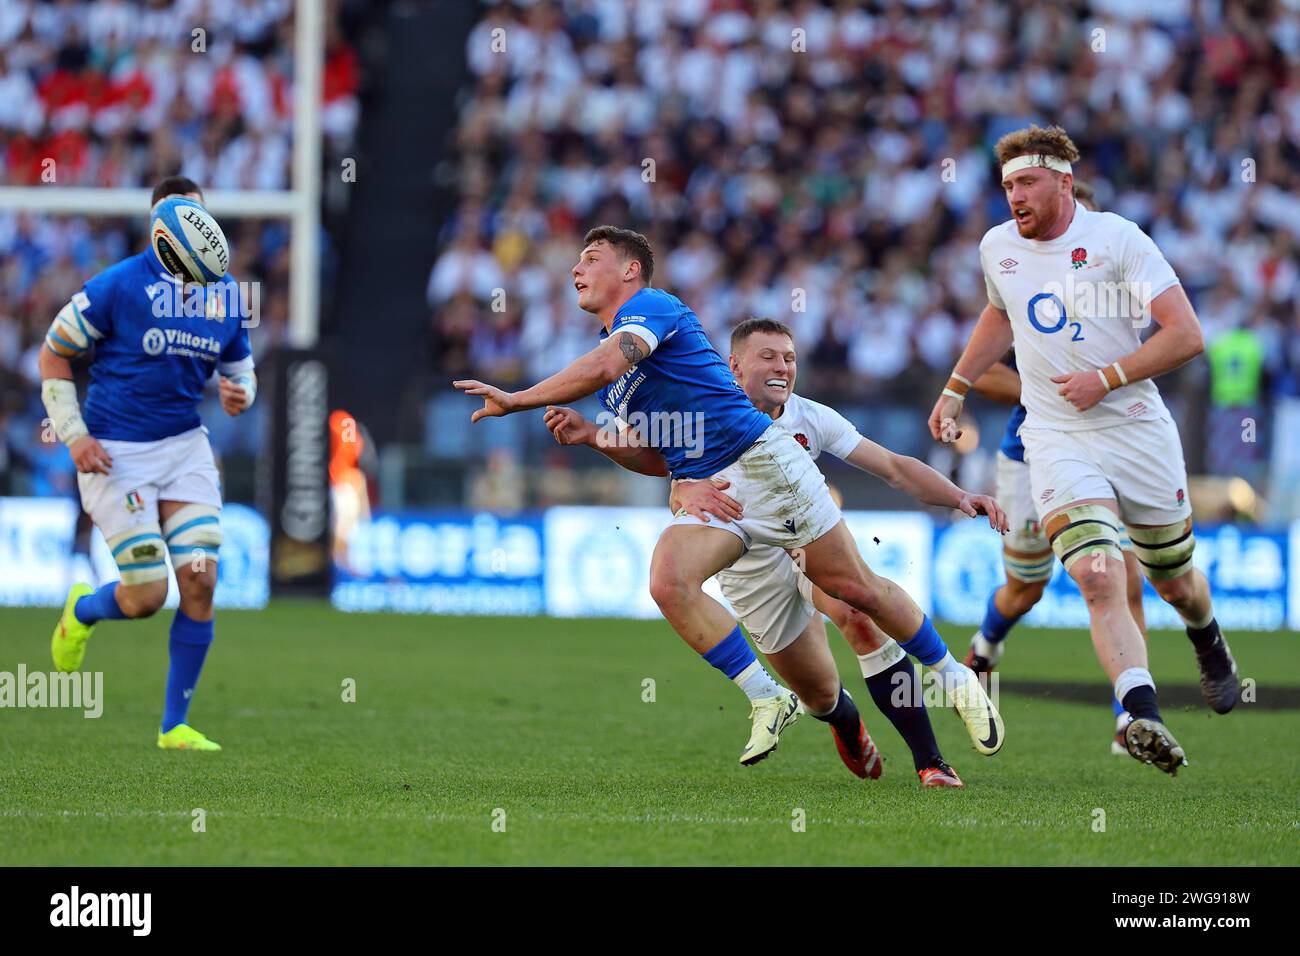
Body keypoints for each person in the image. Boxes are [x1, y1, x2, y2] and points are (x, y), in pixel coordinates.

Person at [457, 226, 1006, 766]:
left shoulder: (653, 306)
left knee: (853, 592)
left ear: (629, 270)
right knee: (668, 582)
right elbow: (660, 453)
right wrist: (595, 438)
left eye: (591, 257)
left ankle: (954, 682)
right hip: (719, 496)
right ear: (737, 365)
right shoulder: (613, 380)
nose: (576, 268)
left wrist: (518, 398)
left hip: (763, 466)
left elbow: (890, 465)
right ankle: (769, 698)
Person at [546, 317, 998, 786]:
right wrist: (618, 451)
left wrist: (960, 497)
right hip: (745, 562)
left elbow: (892, 467)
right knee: (819, 694)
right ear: (734, 366)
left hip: (803, 540)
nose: (783, 367)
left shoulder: (811, 417)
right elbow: (664, 468)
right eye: (769, 357)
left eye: (789, 358)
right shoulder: (702, 411)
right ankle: (845, 721)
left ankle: (930, 760)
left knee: (857, 611)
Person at [928, 126, 1239, 776]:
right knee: (1099, 574)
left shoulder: (1118, 238)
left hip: (1135, 429)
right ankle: (1139, 713)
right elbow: (999, 312)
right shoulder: (998, 248)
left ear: (1064, 182)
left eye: (1026, 182)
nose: (1014, 195)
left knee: (1174, 582)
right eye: (1007, 183)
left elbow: (1186, 334)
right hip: (1054, 436)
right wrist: (956, 387)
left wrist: (1107, 377)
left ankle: (1208, 640)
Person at [42, 176, 255, 751]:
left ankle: (173, 726)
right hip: (118, 452)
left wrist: (241, 394)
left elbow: (241, 370)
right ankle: (84, 611)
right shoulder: (117, 286)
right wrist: (74, 435)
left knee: (201, 583)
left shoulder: (227, 295)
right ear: (157, 227)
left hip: (185, 446)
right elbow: (53, 353)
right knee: (146, 597)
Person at [966, 181, 1152, 756]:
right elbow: (979, 371)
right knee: (1026, 588)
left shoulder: (1117, 287)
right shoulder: (1024, 288)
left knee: (1124, 579)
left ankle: (1132, 718)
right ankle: (986, 645)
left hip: (1102, 451)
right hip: (1030, 457)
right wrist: (1044, 391)